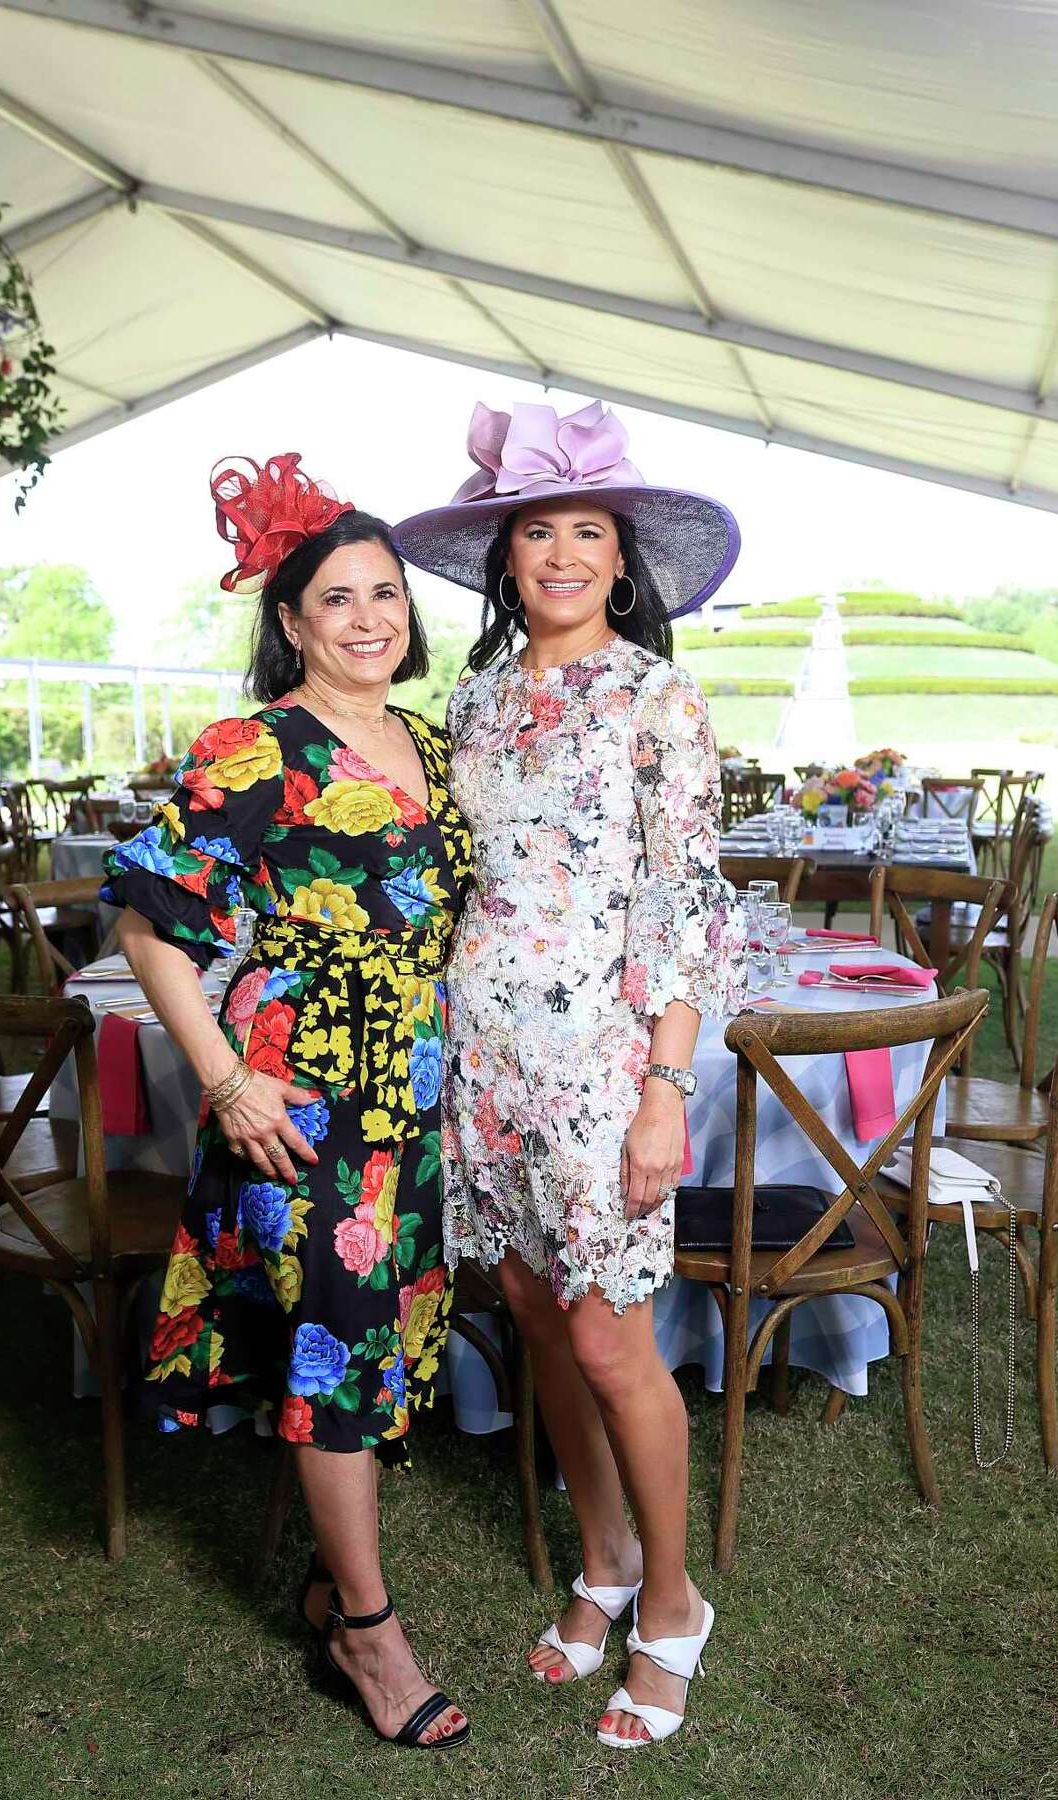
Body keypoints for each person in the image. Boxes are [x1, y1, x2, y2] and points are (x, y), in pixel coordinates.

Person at [101, 454, 472, 1751]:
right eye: (338, 598)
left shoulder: (430, 745)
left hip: (409, 1093)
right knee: (339, 1350)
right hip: (299, 1096)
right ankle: (370, 1632)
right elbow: (148, 923)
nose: (370, 618)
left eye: (387, 593)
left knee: (376, 1341)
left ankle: (330, 1588)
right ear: (292, 622)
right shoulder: (253, 748)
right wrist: (226, 1077)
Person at [394, 400, 745, 1748]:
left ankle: (673, 1602)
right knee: (540, 1315)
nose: (561, 554)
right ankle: (602, 1560)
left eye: (587, 531)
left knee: (609, 1337)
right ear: (506, 555)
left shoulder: (659, 696)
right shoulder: (473, 702)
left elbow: (682, 899)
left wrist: (666, 1088)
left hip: (607, 1065)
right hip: (486, 1057)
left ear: (620, 557)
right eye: (537, 531)